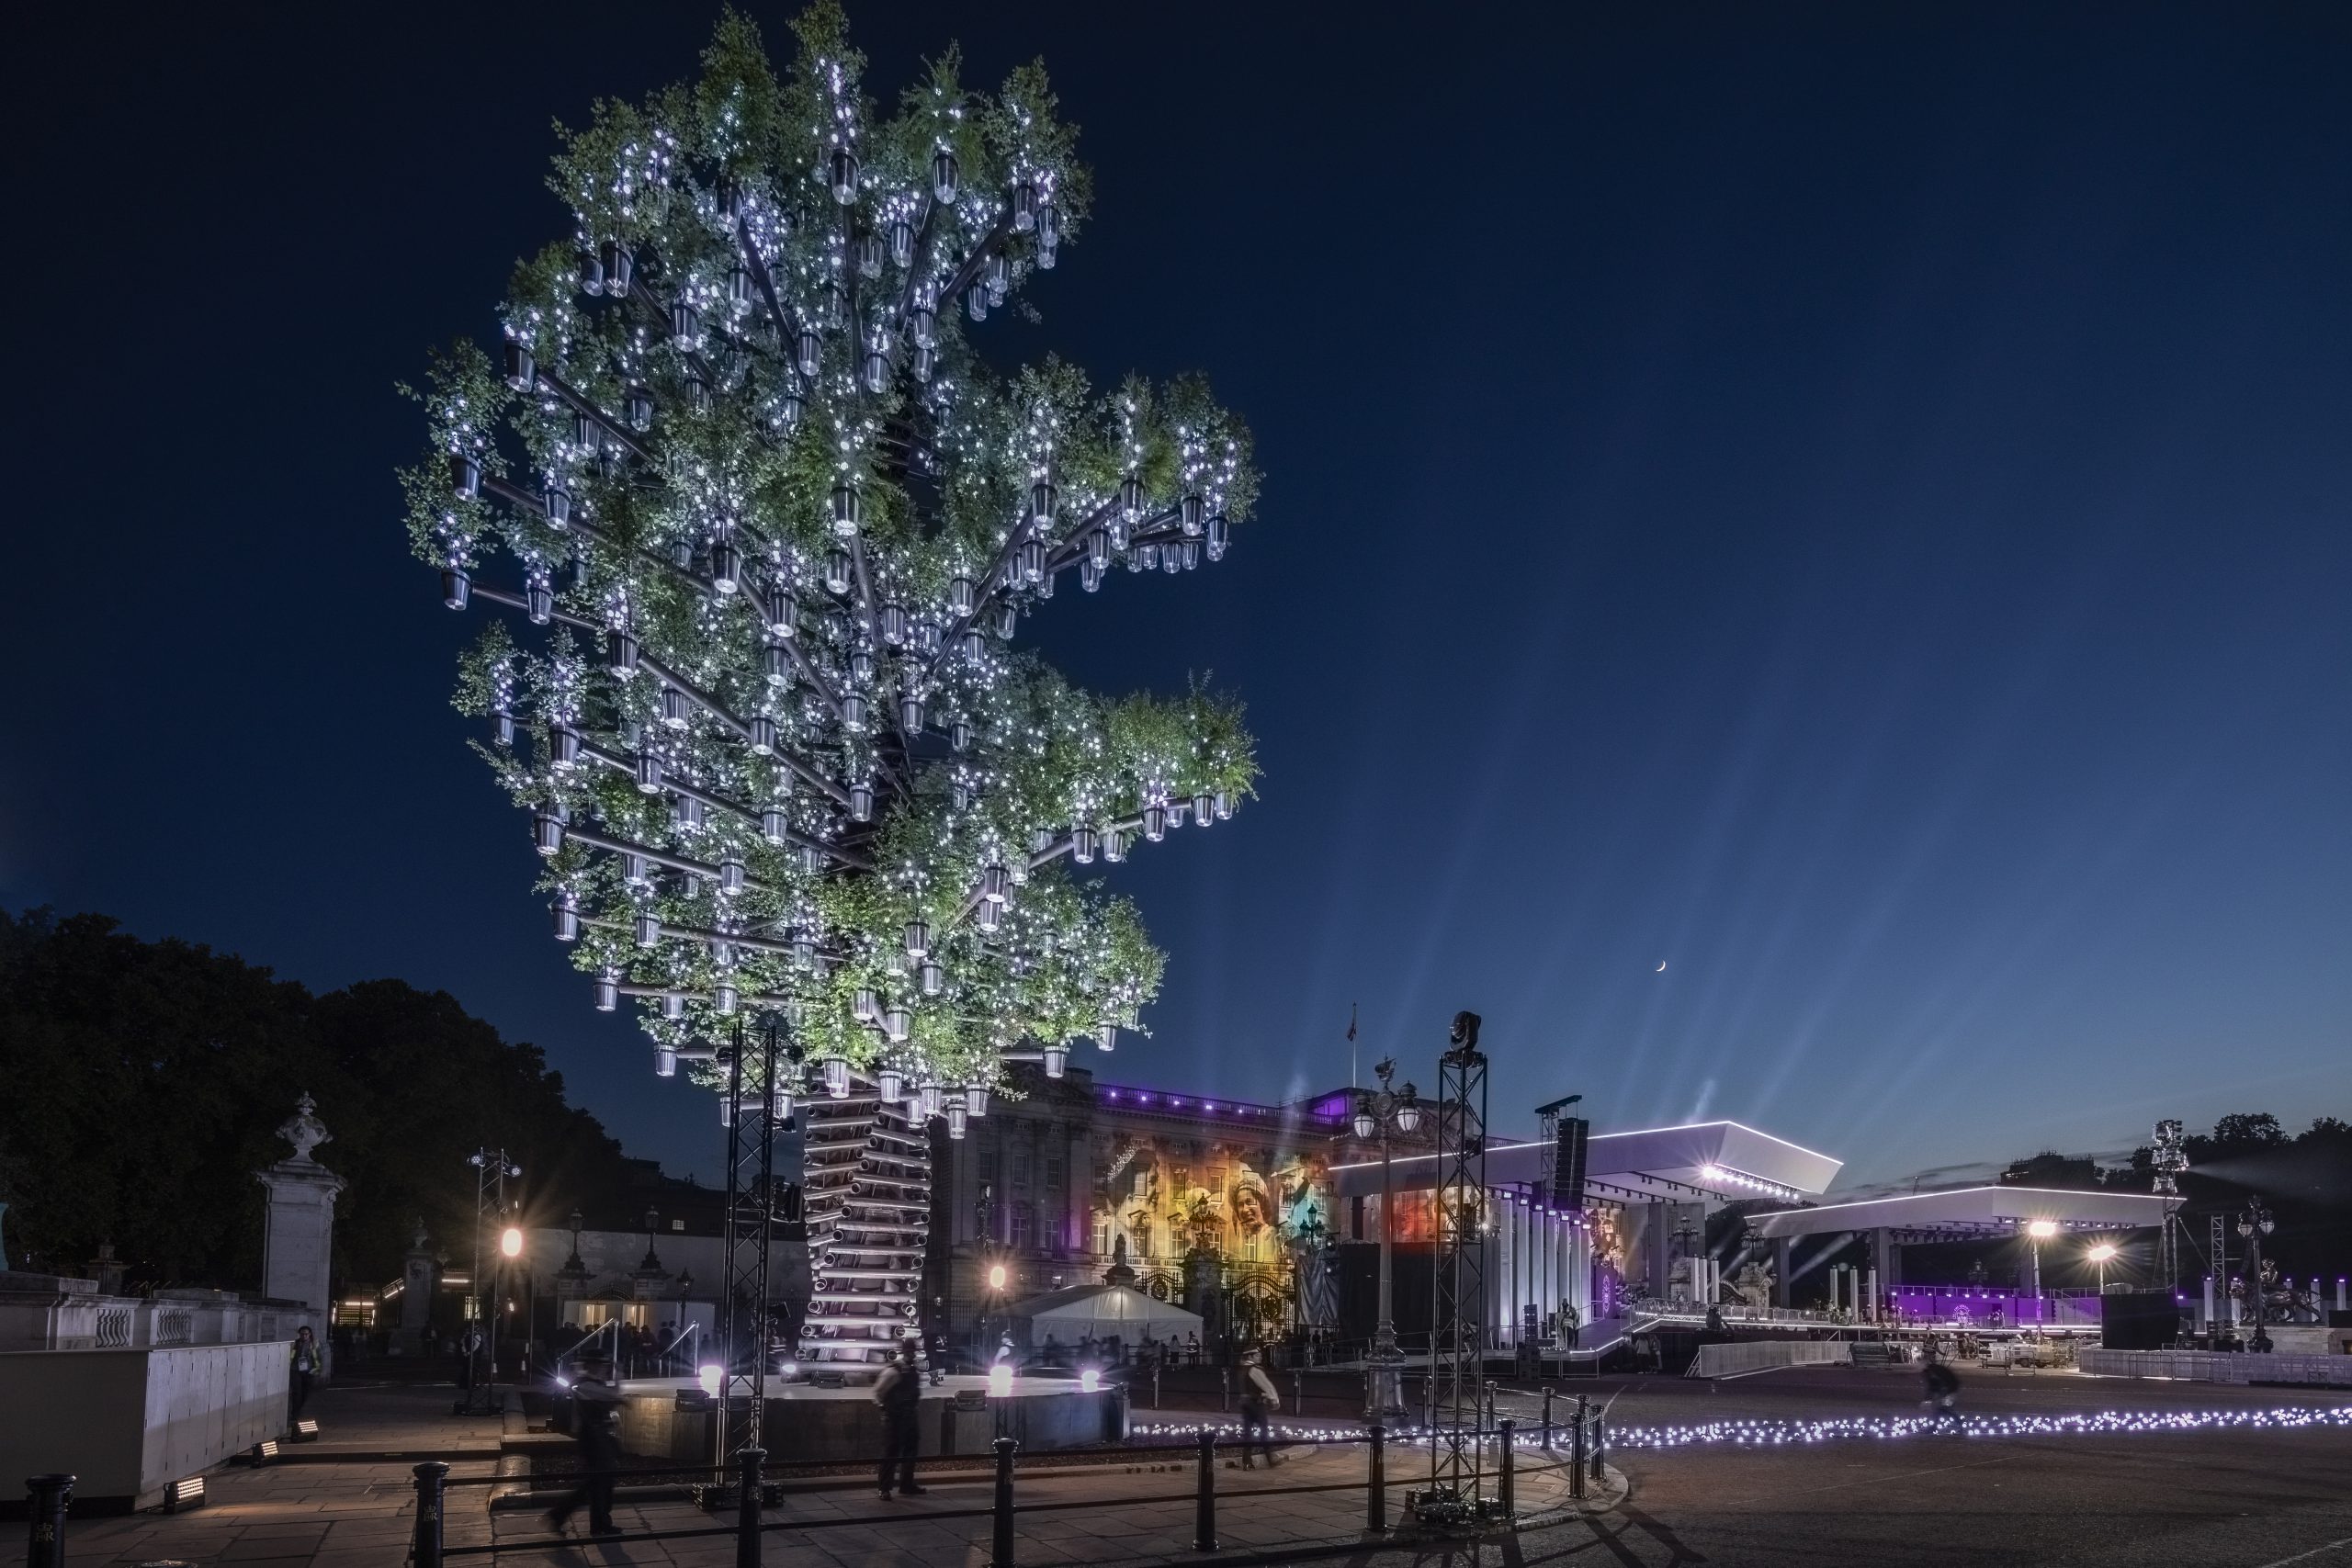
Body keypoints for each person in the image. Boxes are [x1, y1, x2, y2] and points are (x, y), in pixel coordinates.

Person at [548, 1357, 623, 1537]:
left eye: (606, 1365)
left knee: (597, 1482)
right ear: (592, 1366)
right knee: (598, 1481)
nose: (605, 1368)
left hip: (598, 1437)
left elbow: (610, 1397)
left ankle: (596, 1523)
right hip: (593, 1439)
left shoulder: (590, 1383)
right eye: (601, 1365)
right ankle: (563, 1516)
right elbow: (612, 1396)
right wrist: (619, 1376)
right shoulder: (586, 1384)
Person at [874, 1338, 927, 1500]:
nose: (911, 1354)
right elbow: (877, 1393)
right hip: (895, 1418)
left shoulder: (912, 1371)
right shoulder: (893, 1371)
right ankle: (884, 1488)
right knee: (891, 1453)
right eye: (908, 1352)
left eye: (913, 1352)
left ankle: (906, 1484)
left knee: (910, 1453)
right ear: (903, 1353)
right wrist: (885, 1410)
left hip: (909, 1417)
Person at [1238, 1350, 1280, 1469]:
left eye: (1260, 1355)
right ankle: (1270, 1460)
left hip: (1245, 1404)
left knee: (1248, 1434)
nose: (1260, 1357)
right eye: (1257, 1355)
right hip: (1256, 1404)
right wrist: (1274, 1399)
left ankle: (1246, 1462)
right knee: (1263, 1432)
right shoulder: (1255, 1370)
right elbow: (1266, 1385)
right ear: (1250, 1356)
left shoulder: (1243, 1369)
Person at [1921, 1349, 1962, 1430]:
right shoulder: (1932, 1370)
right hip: (1948, 1388)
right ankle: (1935, 1426)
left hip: (1950, 1389)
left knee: (1945, 1408)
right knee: (1939, 1408)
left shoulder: (1932, 1372)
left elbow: (1935, 1385)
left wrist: (1928, 1399)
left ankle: (1960, 1424)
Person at [289, 1326, 321, 1422]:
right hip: (296, 1370)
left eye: (306, 1334)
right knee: (297, 1393)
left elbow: (317, 1358)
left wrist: (316, 1370)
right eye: (302, 1334)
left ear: (310, 1334)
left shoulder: (314, 1344)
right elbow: (291, 1356)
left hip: (308, 1371)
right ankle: (295, 1414)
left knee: (305, 1393)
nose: (304, 1336)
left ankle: (300, 1411)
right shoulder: (295, 1343)